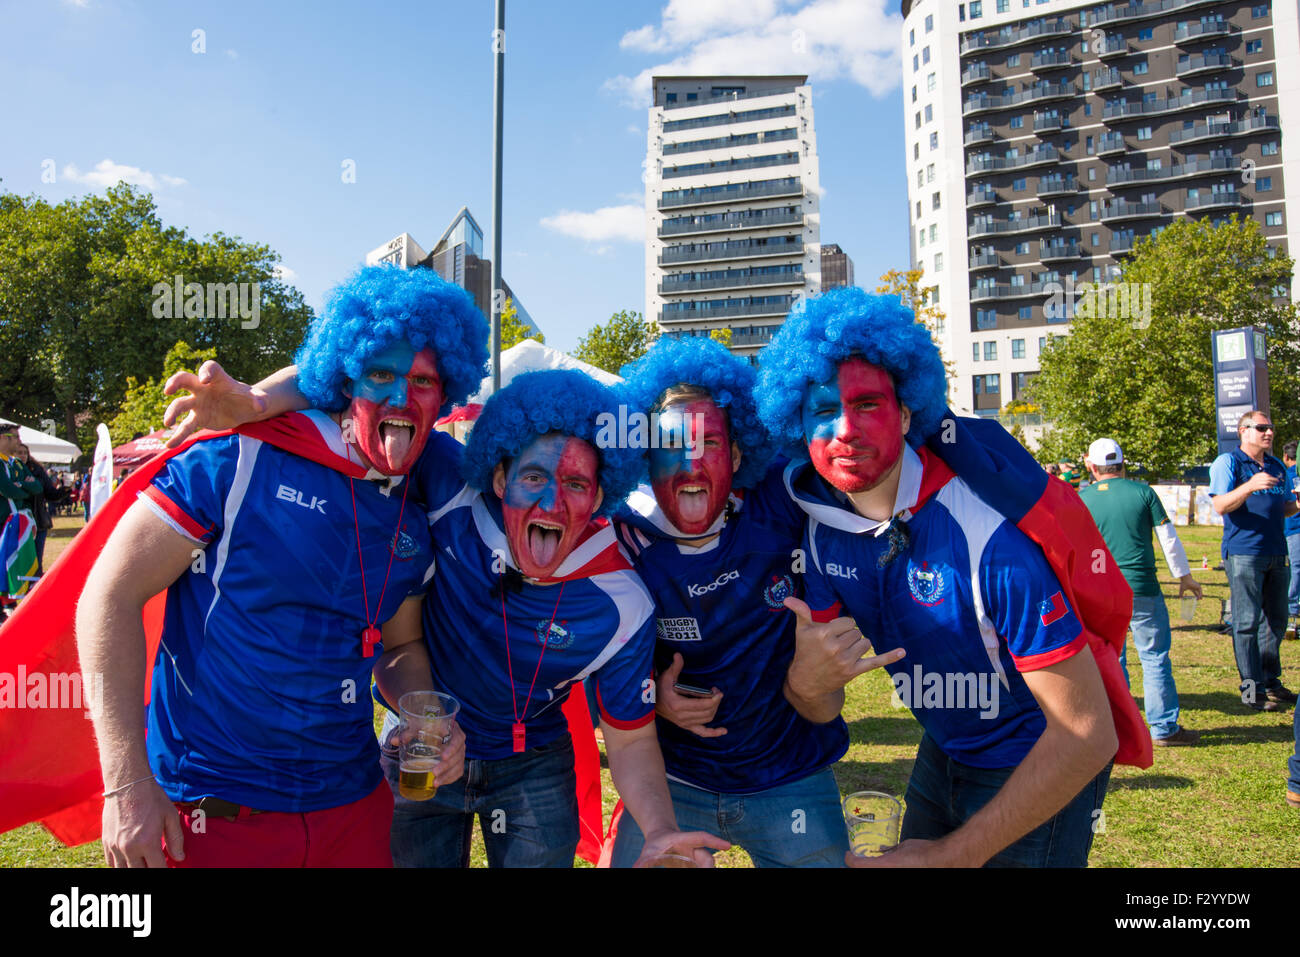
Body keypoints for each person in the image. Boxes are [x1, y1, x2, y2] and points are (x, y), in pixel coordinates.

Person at [75, 265, 482, 867]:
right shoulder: (236, 460)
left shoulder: (415, 501)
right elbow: (107, 597)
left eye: (422, 381)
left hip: (355, 809)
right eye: (380, 374)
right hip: (216, 812)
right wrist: (128, 785)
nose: (400, 396)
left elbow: (398, 647)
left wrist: (422, 711)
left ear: (443, 395)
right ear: (345, 382)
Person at [755, 287, 1137, 868]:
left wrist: (952, 856)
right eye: (823, 410)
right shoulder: (818, 526)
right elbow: (824, 708)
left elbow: (1088, 734)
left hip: (1039, 751)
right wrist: (807, 684)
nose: (845, 430)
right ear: (796, 425)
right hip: (944, 743)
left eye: (867, 406)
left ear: (907, 412)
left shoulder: (987, 535)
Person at [377, 369, 728, 867]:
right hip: (423, 740)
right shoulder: (451, 494)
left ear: (600, 497)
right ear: (499, 478)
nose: (551, 501)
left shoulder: (623, 600)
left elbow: (629, 738)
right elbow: (367, 397)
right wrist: (254, 399)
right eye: (534, 476)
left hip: (533, 765)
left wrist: (659, 830)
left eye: (576, 483)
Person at [607, 336, 865, 867]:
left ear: (741, 453)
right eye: (671, 445)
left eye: (710, 443)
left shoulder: (781, 499)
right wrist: (655, 695)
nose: (690, 462)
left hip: (790, 774)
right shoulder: (620, 538)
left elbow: (876, 456)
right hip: (674, 780)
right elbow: (581, 661)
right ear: (645, 458)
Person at [1079, 438, 1203, 745]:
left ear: (1092, 466)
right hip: (1142, 587)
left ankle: (1119, 725)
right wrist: (1185, 577)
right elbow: (1168, 538)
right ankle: (1163, 726)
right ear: (1122, 463)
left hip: (1102, 591)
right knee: (1154, 657)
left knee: (1112, 658)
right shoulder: (1143, 492)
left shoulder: (1082, 498)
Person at [1209, 410, 1298, 712]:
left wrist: (1297, 503)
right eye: (1261, 427)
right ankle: (1250, 691)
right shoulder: (1229, 462)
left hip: (1276, 551)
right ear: (1243, 431)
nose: (1269, 432)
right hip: (1244, 552)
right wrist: (1249, 486)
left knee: (1277, 620)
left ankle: (1271, 682)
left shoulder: (1275, 465)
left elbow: (1283, 508)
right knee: (1246, 623)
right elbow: (1220, 504)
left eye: (1270, 427)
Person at [16, 444, 59, 575]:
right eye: (19, 452)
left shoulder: (38, 471)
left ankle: (35, 589)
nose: (23, 455)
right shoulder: (10, 470)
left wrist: (66, 490)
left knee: (37, 561)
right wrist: (27, 485)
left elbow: (50, 493)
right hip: (19, 522)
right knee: (21, 562)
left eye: (25, 452)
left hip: (38, 521)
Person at [1284, 441, 1300, 635]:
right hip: (1293, 529)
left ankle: (1292, 610)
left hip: (1293, 529)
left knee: (1295, 568)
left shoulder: (1287, 476)